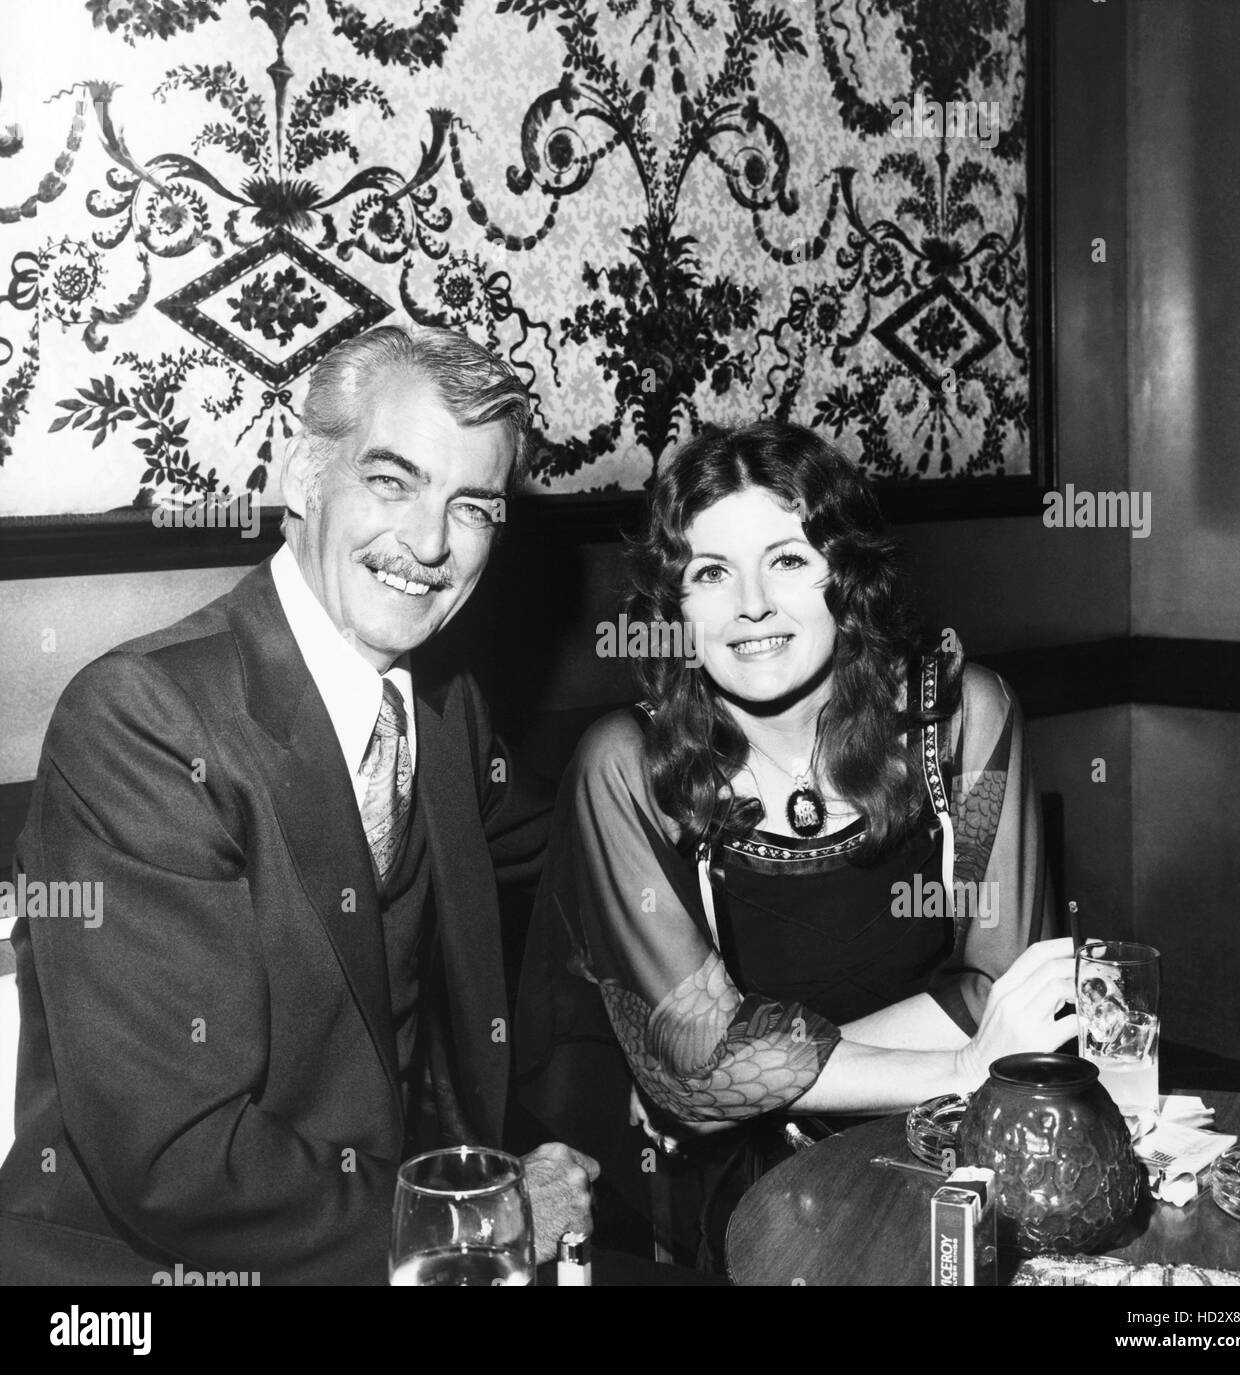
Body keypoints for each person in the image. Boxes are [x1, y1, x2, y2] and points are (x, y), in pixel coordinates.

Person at [0, 325, 597, 1285]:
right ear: (305, 477)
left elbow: (565, 847)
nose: (430, 543)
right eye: (392, 481)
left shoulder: (444, 708)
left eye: (473, 506)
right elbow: (178, 1159)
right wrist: (479, 1214)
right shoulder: (141, 720)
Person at [516, 421, 1077, 1263]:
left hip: (916, 1145)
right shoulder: (625, 767)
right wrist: (959, 1067)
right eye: (711, 573)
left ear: (845, 576)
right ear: (675, 609)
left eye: (786, 559)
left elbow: (992, 985)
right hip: (681, 1194)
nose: (751, 605)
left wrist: (785, 1077)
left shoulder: (960, 717)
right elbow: (703, 1078)